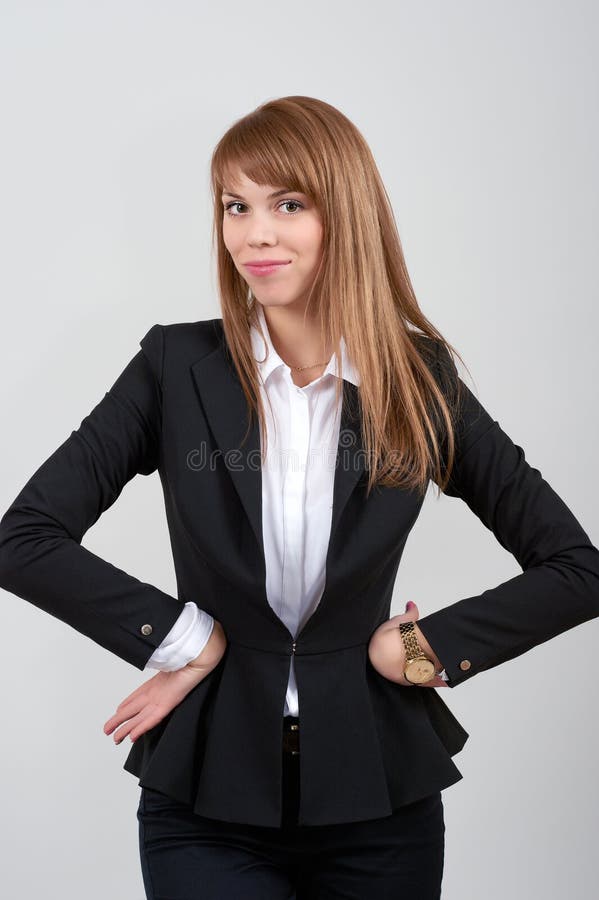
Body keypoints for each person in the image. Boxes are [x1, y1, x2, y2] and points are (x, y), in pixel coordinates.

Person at [0, 95, 598, 900]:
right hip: (206, 797)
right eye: (234, 206)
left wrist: (422, 652)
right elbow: (24, 537)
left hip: (378, 801)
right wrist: (185, 638)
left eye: (287, 204)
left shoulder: (420, 383)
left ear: (342, 214)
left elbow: (574, 568)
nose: (255, 233)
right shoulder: (174, 368)